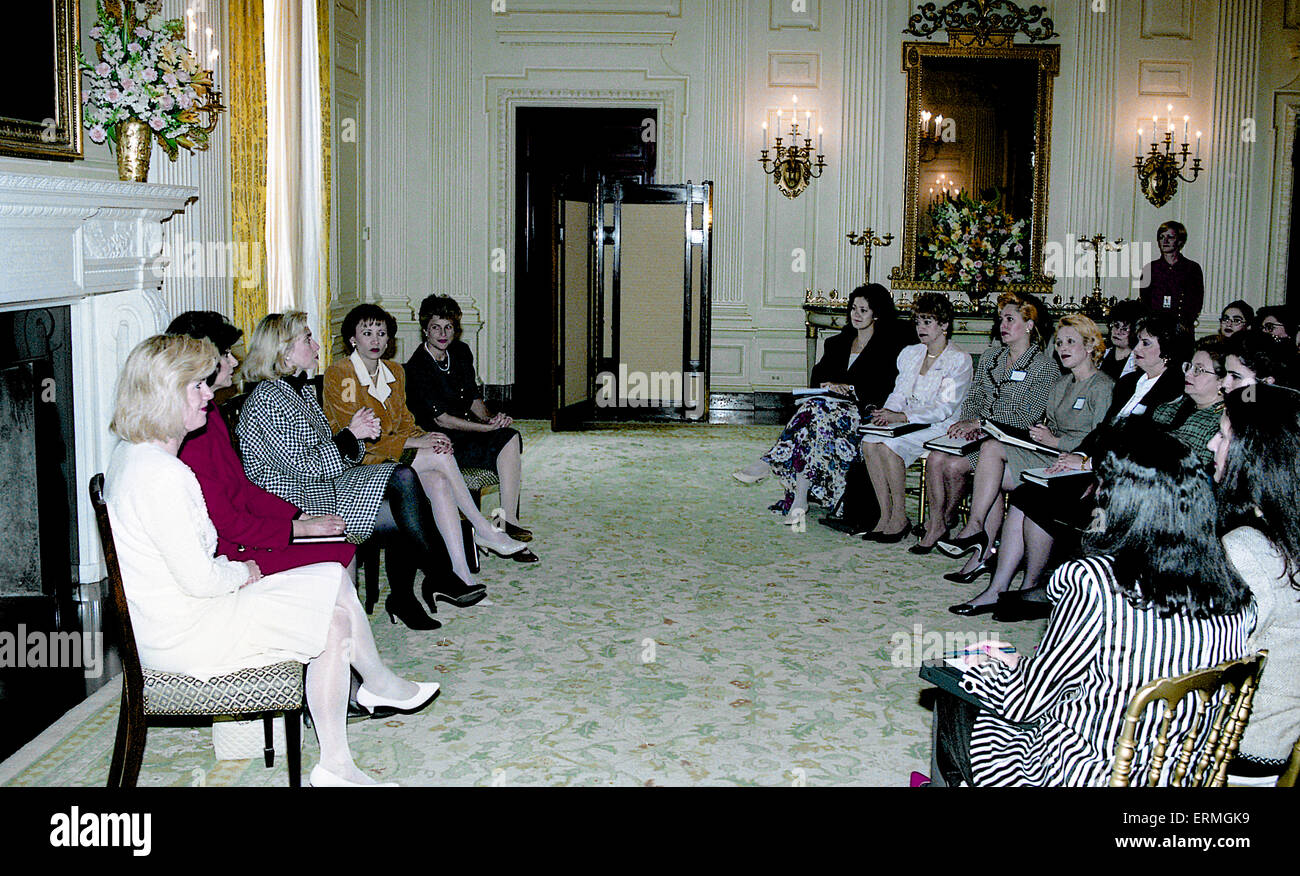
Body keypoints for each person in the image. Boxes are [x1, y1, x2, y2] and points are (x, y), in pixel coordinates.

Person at [104, 334, 439, 787]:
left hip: (185, 613)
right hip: (187, 633)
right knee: (332, 608)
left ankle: (343, 751)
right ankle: (371, 697)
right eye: (197, 386)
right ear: (165, 393)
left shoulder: (136, 455)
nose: (209, 395)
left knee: (331, 591)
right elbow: (203, 579)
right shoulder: (164, 475)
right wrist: (245, 570)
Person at [924, 425, 1254, 786]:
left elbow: (1026, 701)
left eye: (1100, 483)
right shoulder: (1234, 591)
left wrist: (985, 665)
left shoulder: (1094, 581)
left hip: (1088, 773)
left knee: (954, 683)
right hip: (1177, 773)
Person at [236, 312, 517, 629]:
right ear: (284, 350)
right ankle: (434, 577)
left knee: (404, 478)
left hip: (325, 480)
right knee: (404, 491)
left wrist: (355, 437)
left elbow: (331, 451)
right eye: (307, 339)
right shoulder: (268, 398)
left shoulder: (294, 391)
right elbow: (304, 467)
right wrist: (351, 436)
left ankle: (420, 587)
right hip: (300, 498)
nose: (316, 344)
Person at [954, 315, 1192, 618]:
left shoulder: (1172, 389)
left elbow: (1142, 441)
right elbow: (1102, 431)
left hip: (1123, 478)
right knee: (1026, 495)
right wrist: (1081, 455)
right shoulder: (1130, 382)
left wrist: (1086, 459)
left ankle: (1033, 587)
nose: (1137, 348)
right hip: (1089, 463)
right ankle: (998, 587)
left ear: (1167, 351)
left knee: (1038, 498)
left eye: (1146, 343)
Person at [323, 303, 536, 590]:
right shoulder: (341, 374)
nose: (375, 340)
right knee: (438, 454)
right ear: (353, 338)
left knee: (438, 478)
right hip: (362, 459)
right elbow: (359, 436)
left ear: (389, 339)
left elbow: (406, 422)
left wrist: (427, 437)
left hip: (397, 453)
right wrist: (417, 440)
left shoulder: (395, 373)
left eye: (381, 333)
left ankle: (461, 572)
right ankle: (483, 528)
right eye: (367, 333)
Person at [166, 311, 357, 577]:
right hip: (228, 552)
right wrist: (301, 528)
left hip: (249, 523)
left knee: (341, 540)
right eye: (225, 353)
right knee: (340, 548)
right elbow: (225, 521)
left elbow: (242, 487)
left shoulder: (209, 414)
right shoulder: (191, 432)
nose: (233, 361)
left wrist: (298, 517)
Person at [941, 316, 1113, 600]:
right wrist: (1040, 436)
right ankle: (980, 541)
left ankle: (978, 534)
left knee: (992, 458)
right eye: (1059, 343)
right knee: (992, 453)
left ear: (1090, 344)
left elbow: (1100, 438)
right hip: (1050, 456)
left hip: (1078, 466)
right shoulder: (1063, 383)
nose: (1062, 348)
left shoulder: (1102, 386)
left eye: (1071, 341)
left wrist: (1057, 441)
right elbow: (1051, 428)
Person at [733, 283, 908, 522]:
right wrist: (828, 384)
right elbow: (818, 375)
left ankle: (771, 464)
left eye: (863, 310)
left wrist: (850, 389)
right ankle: (800, 499)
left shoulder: (889, 348)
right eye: (853, 309)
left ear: (876, 313)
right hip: (828, 411)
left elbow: (886, 387)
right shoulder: (838, 342)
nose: (856, 315)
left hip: (861, 413)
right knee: (815, 420)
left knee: (814, 414)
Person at [915, 290, 1059, 550]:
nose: (1003, 326)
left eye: (1010, 320)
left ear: (1029, 325)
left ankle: (947, 519)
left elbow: (1028, 416)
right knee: (936, 458)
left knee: (953, 467)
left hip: (1011, 441)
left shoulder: (1044, 367)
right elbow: (973, 396)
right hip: (979, 434)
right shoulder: (991, 357)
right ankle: (937, 523)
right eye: (1001, 320)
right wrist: (969, 422)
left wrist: (981, 423)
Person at [1212, 384, 1300, 784]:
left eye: (1224, 436)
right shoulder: (1284, 530)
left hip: (1240, 749)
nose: (1212, 443)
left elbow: (1207, 657)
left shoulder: (1248, 548)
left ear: (1255, 454)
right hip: (1280, 733)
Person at [404, 294, 531, 542]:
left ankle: (509, 520)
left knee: (510, 436)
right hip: (442, 442)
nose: (443, 333)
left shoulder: (461, 353)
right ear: (424, 330)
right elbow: (442, 419)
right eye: (435, 327)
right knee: (493, 437)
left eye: (448, 327)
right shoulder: (416, 367)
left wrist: (491, 420)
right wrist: (482, 430)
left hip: (469, 431)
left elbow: (473, 399)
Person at [858, 293, 972, 542]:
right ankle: (885, 514)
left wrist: (901, 416)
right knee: (869, 441)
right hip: (906, 420)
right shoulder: (911, 353)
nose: (921, 328)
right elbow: (899, 392)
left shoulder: (959, 360)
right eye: (918, 322)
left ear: (944, 325)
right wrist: (885, 415)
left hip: (939, 426)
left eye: (928, 322)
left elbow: (944, 408)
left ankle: (900, 516)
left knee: (889, 446)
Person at [1138, 220, 1203, 333]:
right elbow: (1145, 301)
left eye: (1170, 237)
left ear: (1180, 241)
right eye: (1161, 237)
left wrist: (1185, 323)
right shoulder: (1149, 268)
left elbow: (1196, 301)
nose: (1165, 241)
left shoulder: (1192, 268)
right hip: (1155, 329)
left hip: (1182, 329)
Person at [1099, 299, 1146, 380]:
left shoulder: (1139, 363)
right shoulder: (1101, 355)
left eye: (1124, 329)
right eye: (1116, 325)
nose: (1118, 332)